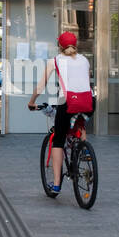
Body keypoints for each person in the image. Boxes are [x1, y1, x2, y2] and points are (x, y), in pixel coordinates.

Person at [28, 31, 94, 196]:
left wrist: (32, 101)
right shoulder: (84, 60)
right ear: (75, 45)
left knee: (58, 140)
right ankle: (84, 150)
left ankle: (56, 184)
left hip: (67, 102)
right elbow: (84, 82)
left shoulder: (55, 60)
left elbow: (41, 85)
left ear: (60, 46)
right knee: (79, 120)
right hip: (89, 102)